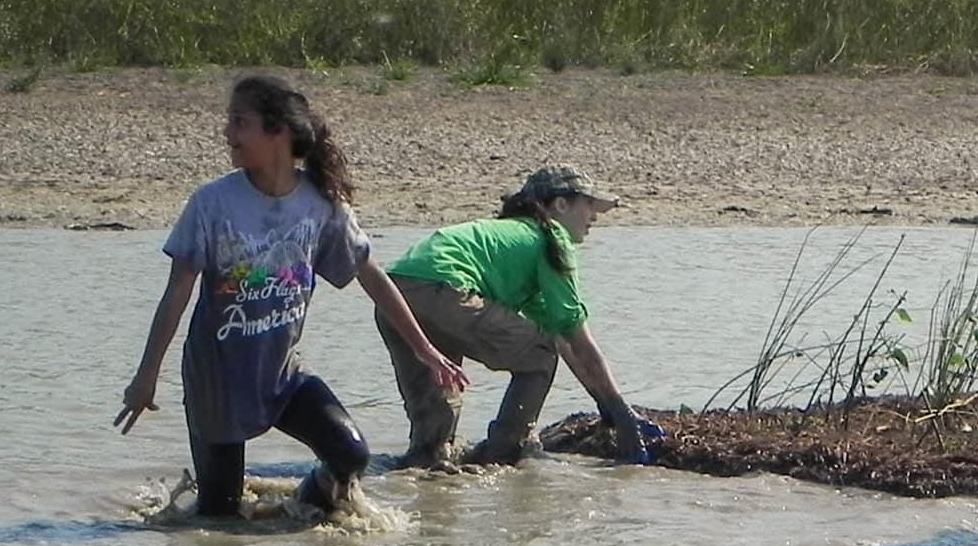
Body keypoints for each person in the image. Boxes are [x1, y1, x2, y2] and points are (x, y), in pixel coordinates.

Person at [117, 75, 468, 517]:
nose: (227, 135)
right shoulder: (212, 204)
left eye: (239, 123)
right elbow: (176, 294)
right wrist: (146, 377)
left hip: (281, 374)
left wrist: (426, 351)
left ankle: (300, 507)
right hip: (217, 382)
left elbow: (371, 275)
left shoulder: (320, 203)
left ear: (277, 131)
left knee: (350, 455)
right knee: (219, 522)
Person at [378, 165, 656, 468]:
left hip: (393, 296)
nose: (595, 216)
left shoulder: (511, 240)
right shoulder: (551, 237)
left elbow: (564, 340)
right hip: (444, 288)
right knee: (538, 354)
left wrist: (604, 404)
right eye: (589, 204)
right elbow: (575, 343)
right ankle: (503, 453)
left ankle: (426, 461)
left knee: (434, 434)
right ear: (560, 205)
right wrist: (622, 412)